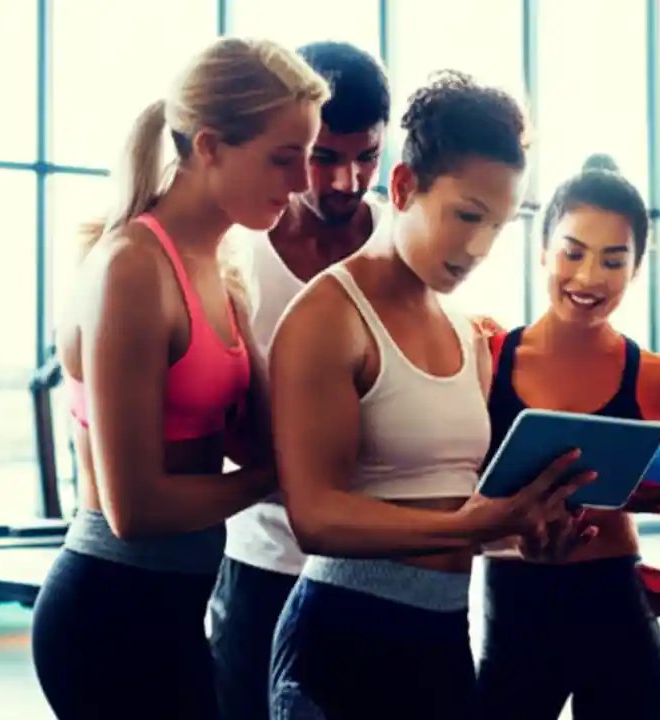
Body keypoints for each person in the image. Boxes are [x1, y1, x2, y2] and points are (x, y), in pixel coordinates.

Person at [266, 70, 594, 720]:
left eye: (497, 226)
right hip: (343, 638)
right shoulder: (327, 317)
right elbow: (315, 517)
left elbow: (449, 499)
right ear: (404, 187)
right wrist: (464, 527)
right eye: (467, 216)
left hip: (441, 638)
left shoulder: (466, 335)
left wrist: (520, 535)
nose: (478, 247)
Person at [30, 37, 329, 720]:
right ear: (211, 146)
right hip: (107, 613)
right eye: (285, 157)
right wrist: (274, 479)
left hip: (174, 609)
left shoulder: (220, 267)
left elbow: (260, 438)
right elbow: (135, 511)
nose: (304, 181)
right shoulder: (132, 268)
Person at [472, 155, 660, 720]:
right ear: (542, 249)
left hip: (614, 612)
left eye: (612, 260)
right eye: (573, 252)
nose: (587, 277)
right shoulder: (484, 360)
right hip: (513, 612)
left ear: (635, 269)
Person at [207, 40, 391, 720]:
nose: (347, 181)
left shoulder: (404, 246)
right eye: (325, 157)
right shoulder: (238, 253)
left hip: (380, 563)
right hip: (266, 559)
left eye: (366, 157)